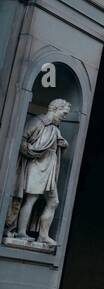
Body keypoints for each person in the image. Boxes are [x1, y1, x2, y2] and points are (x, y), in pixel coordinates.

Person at [7, 99, 72, 247]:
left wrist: (64, 145)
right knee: (31, 199)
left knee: (53, 201)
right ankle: (21, 232)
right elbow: (22, 139)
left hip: (49, 168)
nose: (65, 116)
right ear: (55, 108)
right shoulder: (38, 121)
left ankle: (43, 235)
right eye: (64, 113)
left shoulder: (55, 128)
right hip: (37, 166)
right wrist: (31, 152)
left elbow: (56, 142)